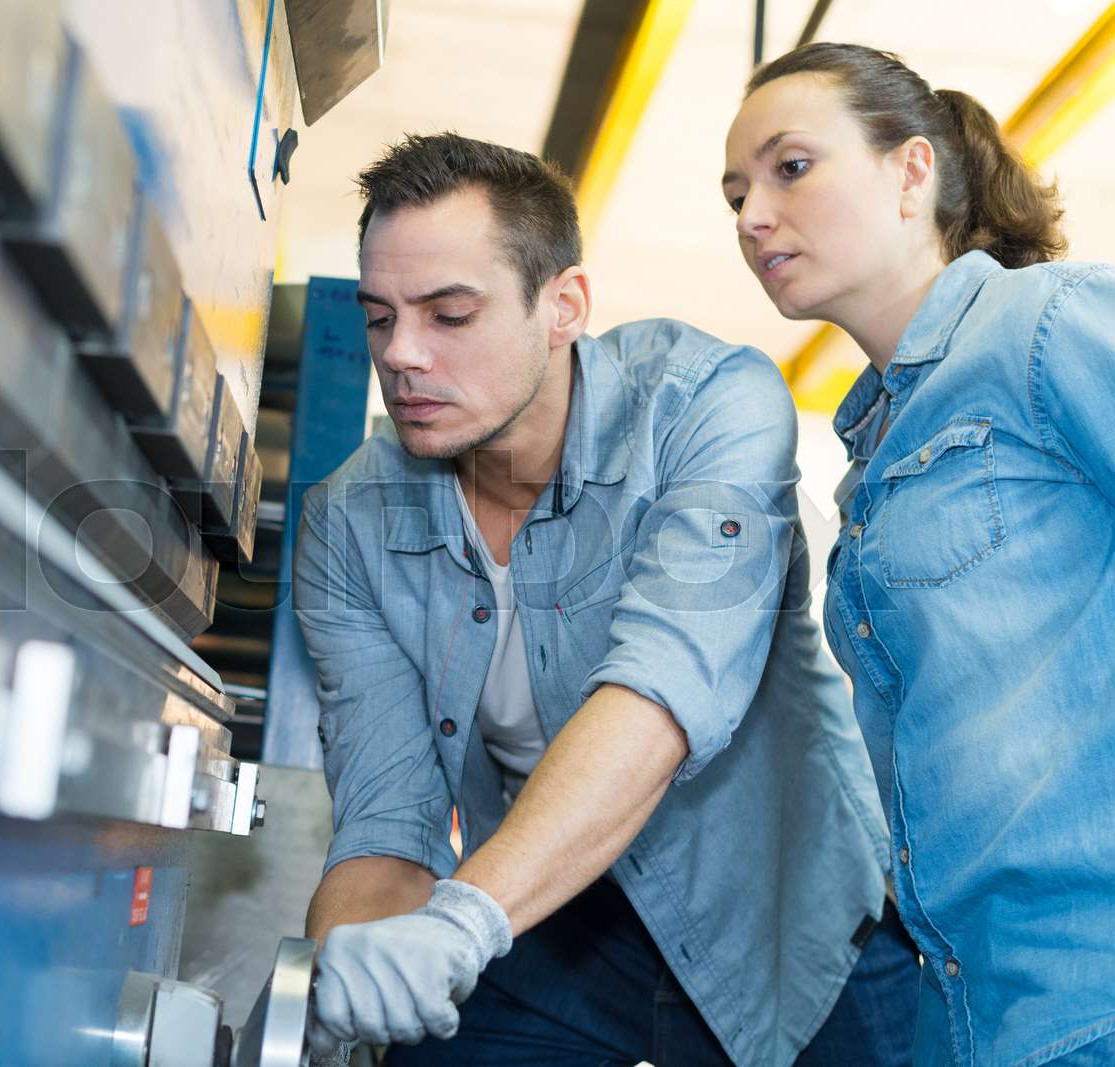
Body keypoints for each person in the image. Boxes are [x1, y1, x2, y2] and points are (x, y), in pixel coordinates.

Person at [292, 131, 914, 1067]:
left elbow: (661, 693)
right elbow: (387, 811)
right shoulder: (348, 523)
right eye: (379, 319)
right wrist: (346, 978)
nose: (403, 356)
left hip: (795, 924)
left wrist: (458, 921)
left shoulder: (709, 405)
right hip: (551, 918)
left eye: (449, 314)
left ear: (564, 306)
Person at [723, 42, 1115, 1066]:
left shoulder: (1044, 326)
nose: (751, 215)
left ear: (911, 172)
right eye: (735, 191)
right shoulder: (867, 466)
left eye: (789, 167)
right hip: (976, 1007)